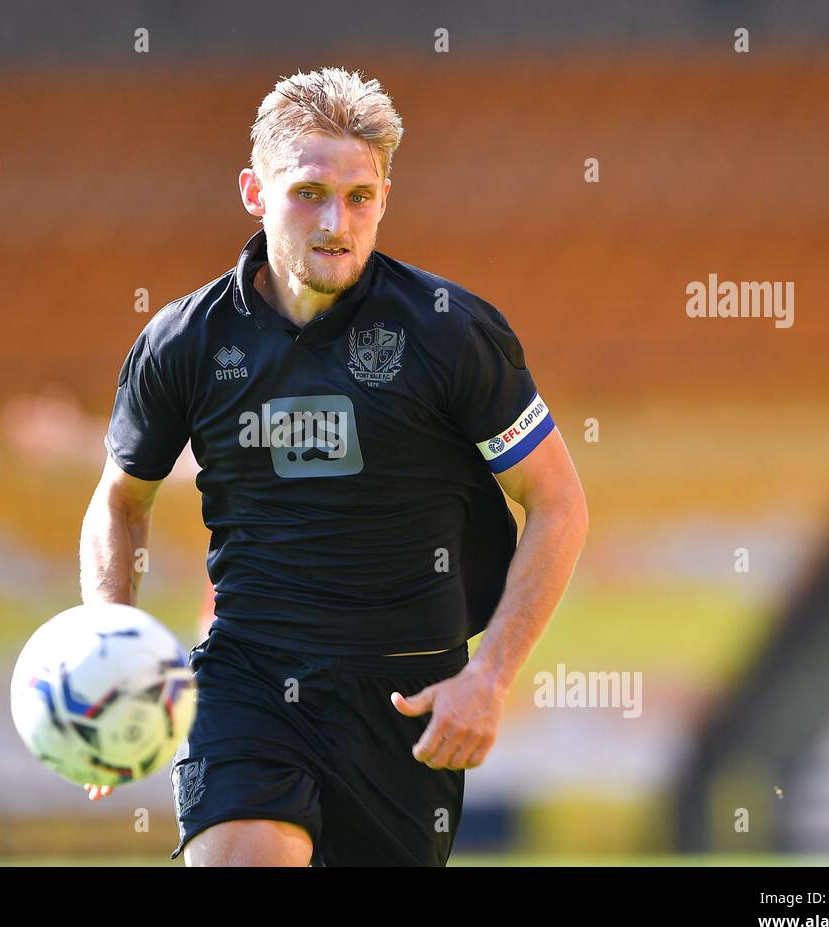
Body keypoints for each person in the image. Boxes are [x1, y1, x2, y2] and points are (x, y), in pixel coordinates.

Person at [79, 67, 588, 866]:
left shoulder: (450, 333)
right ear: (255, 190)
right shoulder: (185, 342)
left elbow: (557, 502)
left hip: (404, 699)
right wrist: (112, 646)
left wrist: (488, 679)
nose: (336, 222)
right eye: (309, 192)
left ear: (385, 198)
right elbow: (119, 503)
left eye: (360, 197)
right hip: (247, 677)